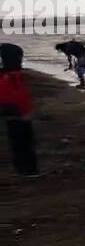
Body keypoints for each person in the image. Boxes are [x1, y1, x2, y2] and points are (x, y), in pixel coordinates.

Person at [0, 43, 39, 176]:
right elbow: (9, 98)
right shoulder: (8, 77)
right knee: (22, 143)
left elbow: (21, 95)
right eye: (19, 59)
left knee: (25, 142)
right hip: (16, 115)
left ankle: (27, 168)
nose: (20, 62)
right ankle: (26, 169)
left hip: (20, 114)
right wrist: (21, 113)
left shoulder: (12, 75)